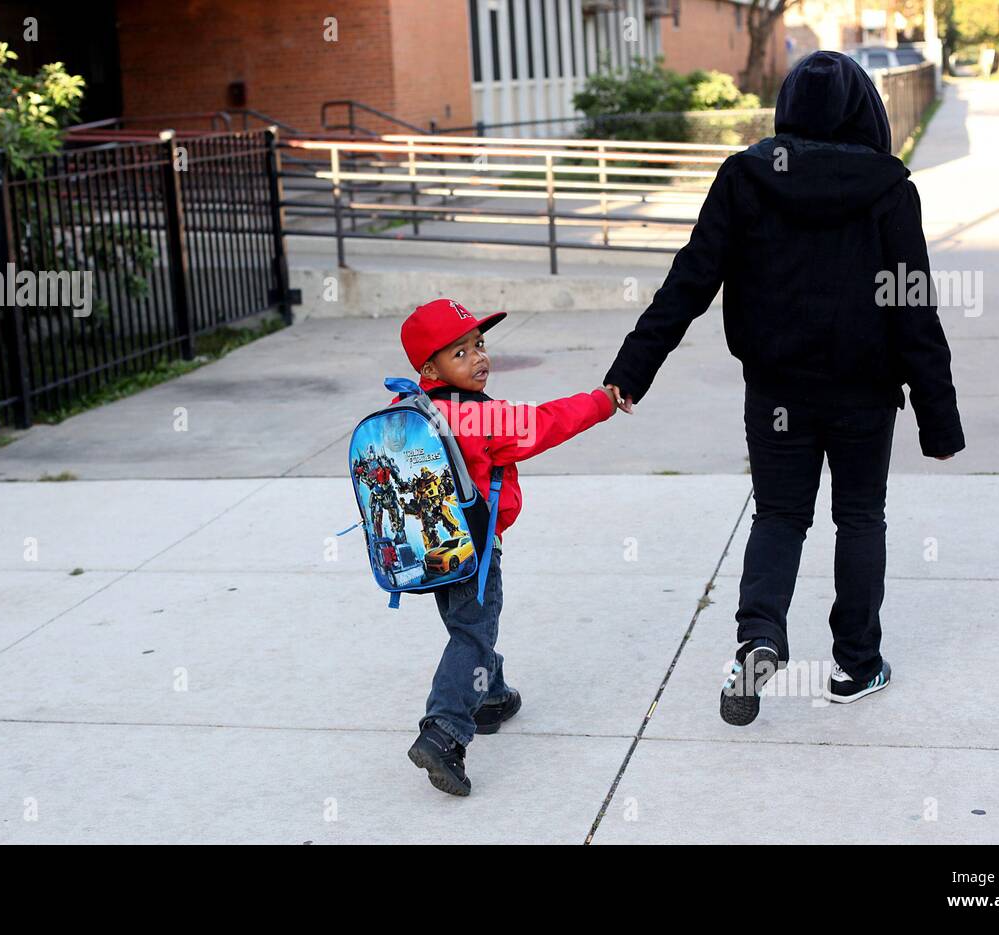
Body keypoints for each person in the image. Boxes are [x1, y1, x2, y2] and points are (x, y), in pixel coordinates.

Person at [602, 52, 965, 726]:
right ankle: (856, 666)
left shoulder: (745, 178)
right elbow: (915, 306)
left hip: (775, 393)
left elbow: (691, 278)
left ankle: (760, 634)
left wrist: (633, 368)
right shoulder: (889, 188)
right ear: (865, 111)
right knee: (859, 516)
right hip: (863, 393)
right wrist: (937, 419)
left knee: (778, 515)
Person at [400, 298, 616, 794]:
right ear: (431, 366)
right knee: (473, 634)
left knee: (469, 626)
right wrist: (601, 402)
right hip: (474, 551)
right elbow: (545, 423)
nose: (478, 358)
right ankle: (444, 729)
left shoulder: (409, 409)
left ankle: (491, 696)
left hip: (428, 551)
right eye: (460, 352)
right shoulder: (480, 419)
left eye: (479, 344)